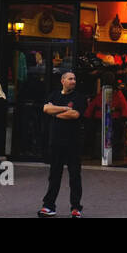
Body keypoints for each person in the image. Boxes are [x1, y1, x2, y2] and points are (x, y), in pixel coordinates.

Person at [38, 70, 87, 218]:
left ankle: (76, 208)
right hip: (56, 142)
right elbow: (46, 108)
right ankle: (49, 206)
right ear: (62, 81)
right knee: (54, 175)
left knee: (75, 176)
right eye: (70, 79)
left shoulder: (79, 98)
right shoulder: (54, 95)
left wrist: (55, 112)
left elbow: (75, 114)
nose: (73, 81)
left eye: (74, 78)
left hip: (73, 142)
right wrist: (65, 108)